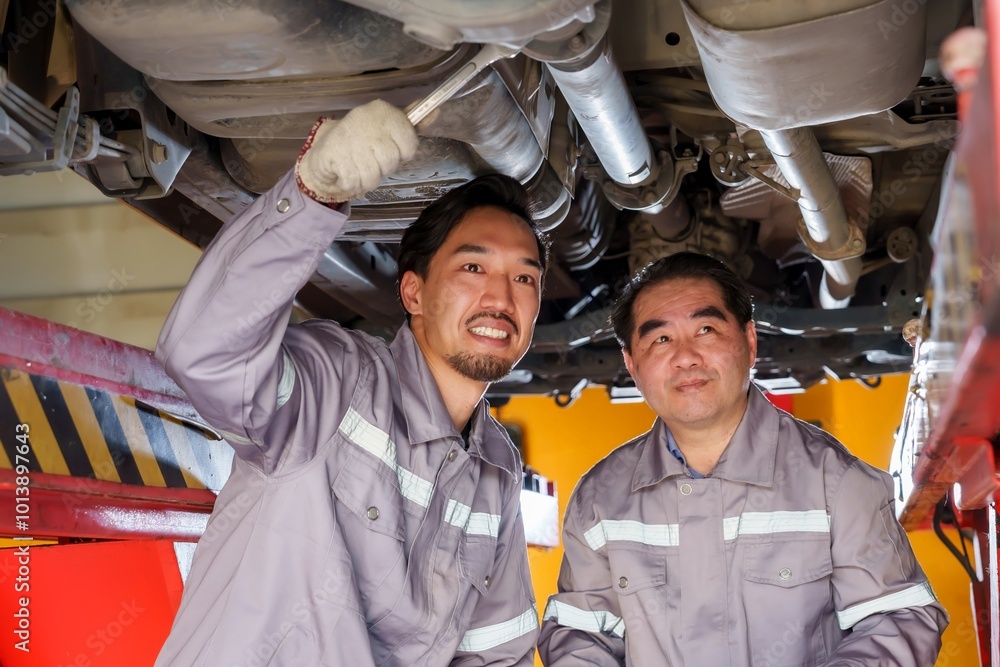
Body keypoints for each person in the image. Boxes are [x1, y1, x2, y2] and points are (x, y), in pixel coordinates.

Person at [154, 100, 545, 666]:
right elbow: (204, 353)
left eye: (525, 277)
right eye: (473, 267)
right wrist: (312, 194)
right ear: (413, 293)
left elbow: (493, 651)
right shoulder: (337, 381)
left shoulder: (496, 469)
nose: (501, 298)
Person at [537, 252, 947, 666]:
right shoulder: (599, 501)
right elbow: (580, 635)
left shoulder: (835, 483)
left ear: (750, 342)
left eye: (706, 329)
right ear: (632, 363)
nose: (686, 356)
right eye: (661, 338)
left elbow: (897, 620)